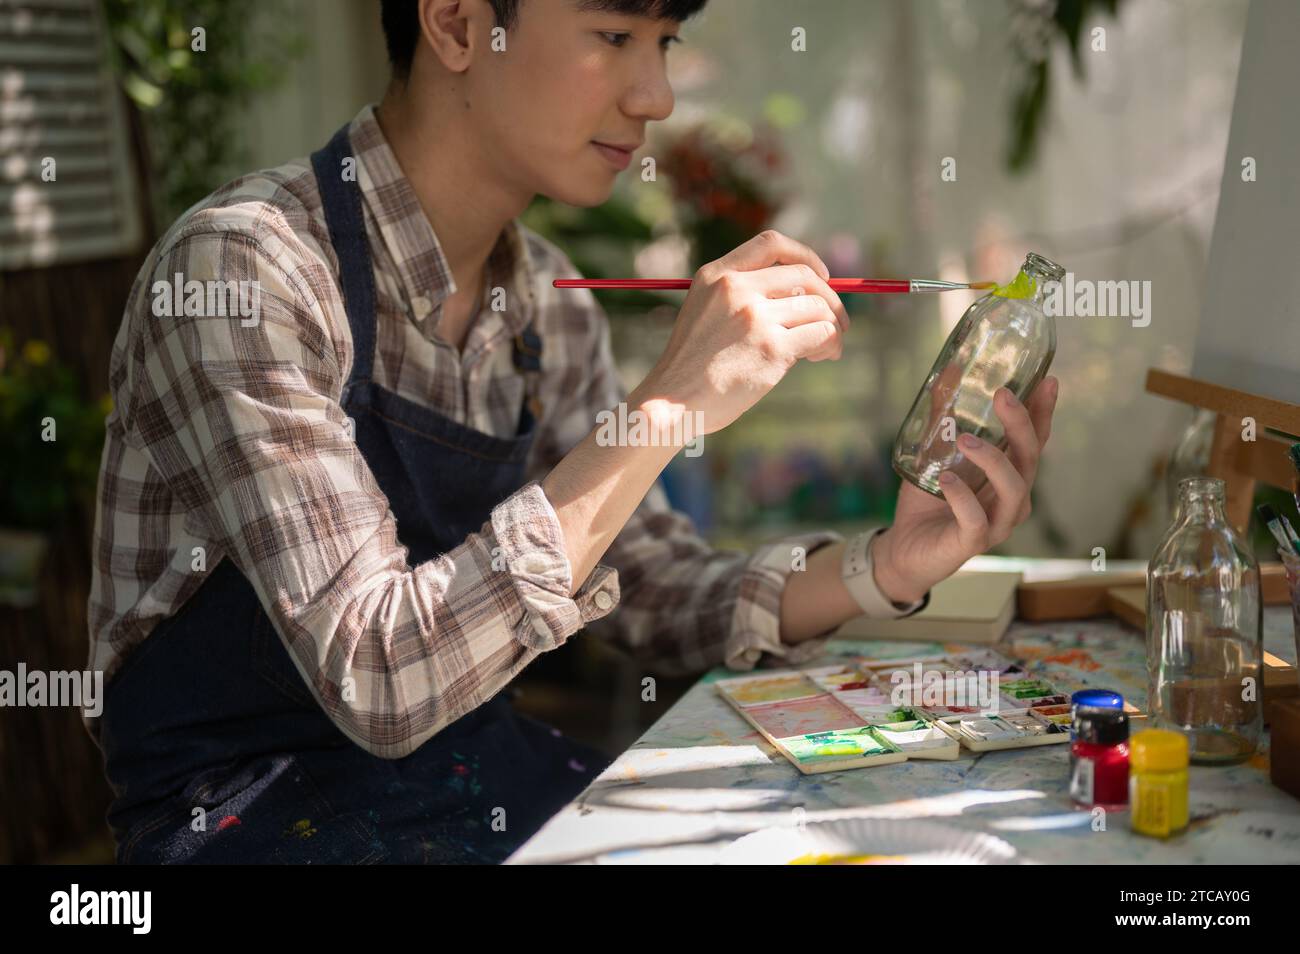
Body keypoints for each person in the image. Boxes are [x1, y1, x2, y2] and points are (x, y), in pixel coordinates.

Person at [86, 0, 1059, 863]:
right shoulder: (247, 270)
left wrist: (886, 565)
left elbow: (653, 589)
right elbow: (379, 676)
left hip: (470, 773)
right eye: (614, 35)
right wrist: (665, 406)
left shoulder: (547, 306)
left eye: (666, 40)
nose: (657, 95)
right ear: (459, 24)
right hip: (246, 816)